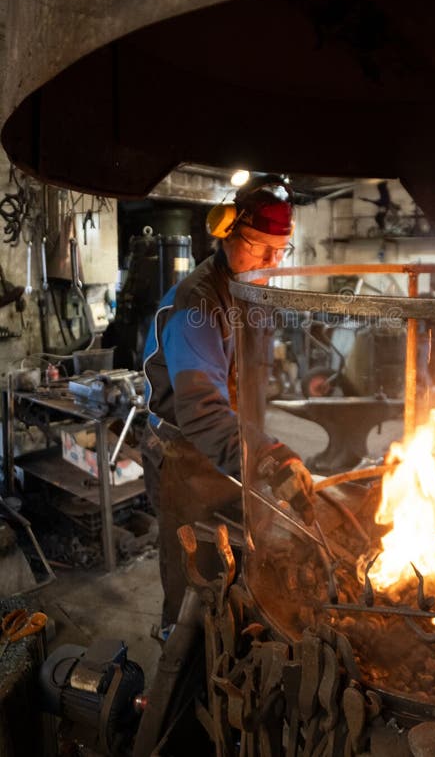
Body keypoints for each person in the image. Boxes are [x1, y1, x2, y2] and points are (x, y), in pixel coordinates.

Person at [141, 175, 314, 627]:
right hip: (182, 455)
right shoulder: (198, 304)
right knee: (191, 575)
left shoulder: (249, 290)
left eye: (282, 251)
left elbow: (248, 384)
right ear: (228, 233)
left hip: (227, 445)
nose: (273, 262)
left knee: (238, 559)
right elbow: (201, 411)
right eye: (261, 248)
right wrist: (268, 456)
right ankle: (175, 661)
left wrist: (258, 445)